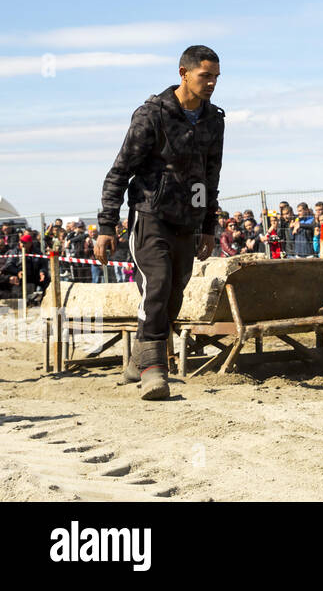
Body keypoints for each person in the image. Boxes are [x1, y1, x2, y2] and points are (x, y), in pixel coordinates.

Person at [95, 45, 224, 401]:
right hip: (150, 215)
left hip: (189, 220)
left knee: (173, 295)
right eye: (205, 76)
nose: (212, 83)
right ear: (183, 73)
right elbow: (120, 171)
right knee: (158, 282)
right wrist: (107, 226)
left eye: (216, 77)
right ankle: (155, 370)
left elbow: (211, 176)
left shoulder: (214, 120)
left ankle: (139, 360)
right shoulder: (152, 114)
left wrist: (208, 225)